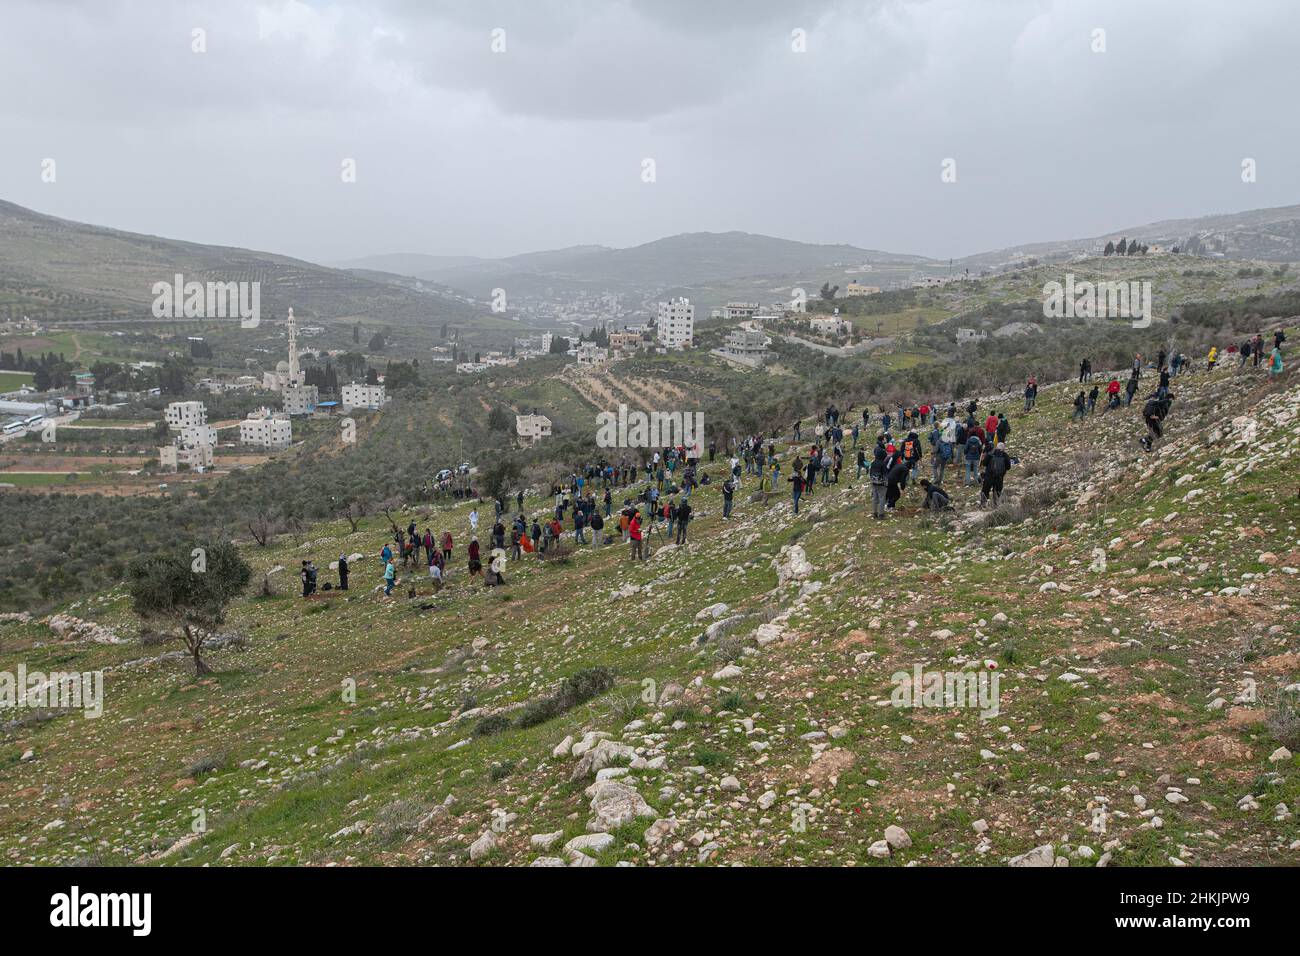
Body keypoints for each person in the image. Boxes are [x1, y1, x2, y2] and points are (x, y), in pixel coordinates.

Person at [980, 442, 1011, 508]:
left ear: (996, 447)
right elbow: (1008, 467)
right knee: (997, 492)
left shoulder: (991, 453)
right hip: (999, 477)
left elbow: (984, 463)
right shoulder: (1005, 455)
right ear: (1003, 448)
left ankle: (983, 505)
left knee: (985, 491)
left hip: (989, 476)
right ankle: (995, 505)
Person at [868, 445, 888, 519]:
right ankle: (881, 514)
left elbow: (870, 473)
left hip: (873, 483)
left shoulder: (873, 463)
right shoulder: (883, 464)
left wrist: (872, 481)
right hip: (881, 484)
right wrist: (886, 483)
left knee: (875, 498)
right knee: (882, 498)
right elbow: (885, 475)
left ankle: (874, 513)